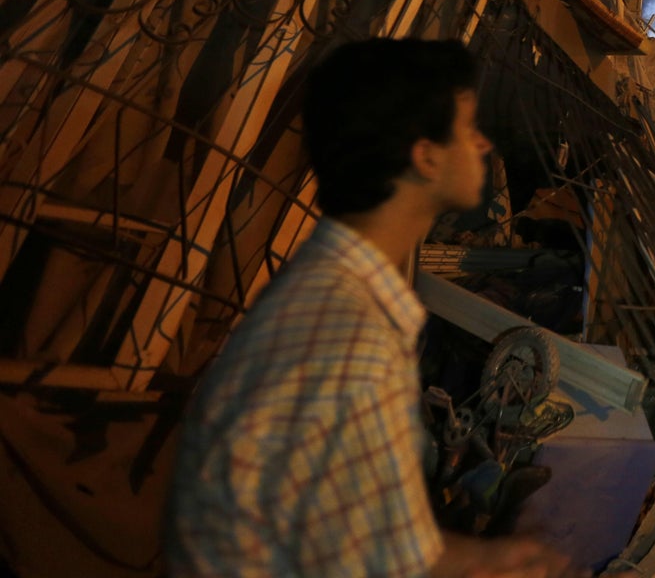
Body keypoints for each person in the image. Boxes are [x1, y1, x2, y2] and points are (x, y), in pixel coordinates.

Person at [166, 39, 579, 578]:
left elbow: (377, 544)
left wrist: (491, 559)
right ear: (425, 155)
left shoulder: (330, 295)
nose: (482, 144)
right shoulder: (350, 338)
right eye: (467, 128)